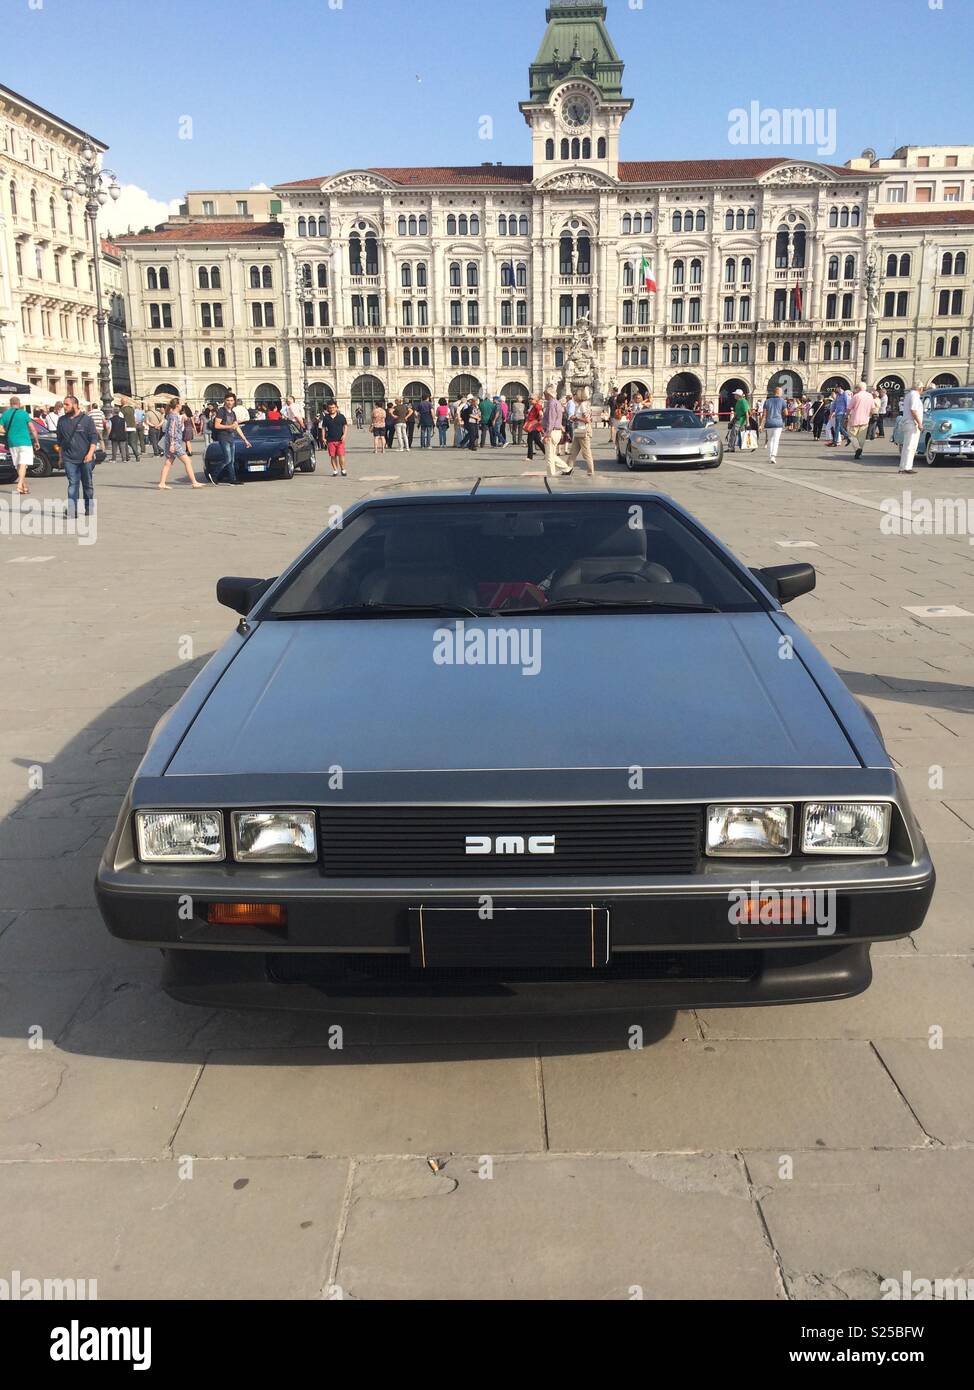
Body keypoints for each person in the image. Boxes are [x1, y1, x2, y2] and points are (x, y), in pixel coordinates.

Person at [57, 395, 98, 518]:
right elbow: (60, 441)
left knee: (87, 484)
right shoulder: (62, 420)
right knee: (73, 484)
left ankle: (88, 508)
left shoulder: (87, 420)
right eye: (64, 404)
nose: (64, 407)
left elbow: (94, 439)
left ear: (75, 405)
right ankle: (72, 510)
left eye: (67, 404)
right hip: (69, 458)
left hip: (85, 458)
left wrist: (90, 454)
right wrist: (60, 457)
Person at [158, 401, 205, 489]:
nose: (182, 406)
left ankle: (162, 483)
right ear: (177, 406)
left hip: (171, 442)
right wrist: (172, 443)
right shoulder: (174, 416)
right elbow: (172, 430)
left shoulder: (171, 415)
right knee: (187, 461)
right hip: (174, 442)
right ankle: (194, 482)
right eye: (180, 404)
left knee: (168, 462)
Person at [0, 395, 40, 495]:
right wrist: (36, 441)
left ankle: (24, 487)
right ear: (19, 404)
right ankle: (20, 484)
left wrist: (7, 432)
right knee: (23, 463)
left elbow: (0, 428)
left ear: (10, 404)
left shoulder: (5, 415)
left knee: (18, 464)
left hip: (12, 442)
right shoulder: (24, 413)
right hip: (24, 442)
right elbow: (32, 428)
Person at [211, 391, 251, 484]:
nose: (230, 402)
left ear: (234, 401)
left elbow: (236, 427)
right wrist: (229, 426)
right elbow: (217, 425)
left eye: (231, 400)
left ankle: (232, 479)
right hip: (223, 437)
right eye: (228, 400)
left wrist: (245, 440)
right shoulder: (221, 411)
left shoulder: (233, 413)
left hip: (231, 437)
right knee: (227, 459)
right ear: (225, 401)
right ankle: (213, 475)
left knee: (231, 460)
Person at [566, 392, 595, 477]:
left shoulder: (583, 405)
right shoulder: (579, 405)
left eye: (574, 395)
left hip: (583, 432)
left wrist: (576, 418)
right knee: (573, 452)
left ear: (578, 396)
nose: (573, 397)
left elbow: (587, 420)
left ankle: (590, 471)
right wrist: (575, 419)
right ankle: (568, 469)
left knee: (586, 453)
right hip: (578, 431)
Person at [899, 381, 925, 474]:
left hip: (908, 422)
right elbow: (913, 410)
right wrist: (920, 423)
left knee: (907, 446)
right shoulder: (914, 396)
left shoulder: (909, 395)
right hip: (912, 423)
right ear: (920, 388)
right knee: (911, 446)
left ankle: (903, 467)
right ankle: (907, 467)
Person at [543, 385, 568, 476]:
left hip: (552, 431)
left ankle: (551, 475)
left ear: (549, 394)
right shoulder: (557, 403)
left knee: (549, 456)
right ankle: (567, 468)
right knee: (551, 455)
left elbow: (551, 419)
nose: (544, 396)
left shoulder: (551, 403)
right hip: (556, 431)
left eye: (544, 394)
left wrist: (547, 434)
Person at [847, 381, 874, 460]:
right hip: (865, 419)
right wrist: (870, 415)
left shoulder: (856, 396)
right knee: (861, 437)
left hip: (855, 418)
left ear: (859, 388)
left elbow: (849, 408)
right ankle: (859, 452)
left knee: (851, 435)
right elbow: (872, 408)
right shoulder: (870, 396)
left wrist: (846, 415)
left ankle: (857, 448)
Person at [321, 400, 349, 476]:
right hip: (330, 440)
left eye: (333, 407)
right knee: (333, 456)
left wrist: (344, 435)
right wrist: (323, 438)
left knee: (341, 455)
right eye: (330, 408)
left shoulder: (341, 417)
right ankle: (335, 470)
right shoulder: (326, 418)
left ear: (336, 408)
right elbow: (323, 428)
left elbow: (345, 426)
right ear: (328, 409)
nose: (332, 409)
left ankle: (343, 469)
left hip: (340, 440)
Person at [760, 386, 786, 465]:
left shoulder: (767, 401)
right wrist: (781, 414)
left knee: (770, 440)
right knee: (776, 440)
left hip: (769, 423)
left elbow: (764, 415)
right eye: (781, 392)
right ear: (778, 392)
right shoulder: (782, 401)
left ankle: (770, 456)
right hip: (778, 423)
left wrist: (761, 425)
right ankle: (773, 456)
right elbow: (786, 413)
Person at [525, 394, 544, 461]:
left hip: (534, 426)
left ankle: (529, 457)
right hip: (533, 426)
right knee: (537, 441)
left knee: (529, 440)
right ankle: (547, 454)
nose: (530, 400)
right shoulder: (533, 406)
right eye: (529, 399)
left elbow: (541, 414)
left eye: (532, 399)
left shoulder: (537, 406)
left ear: (536, 399)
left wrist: (539, 421)